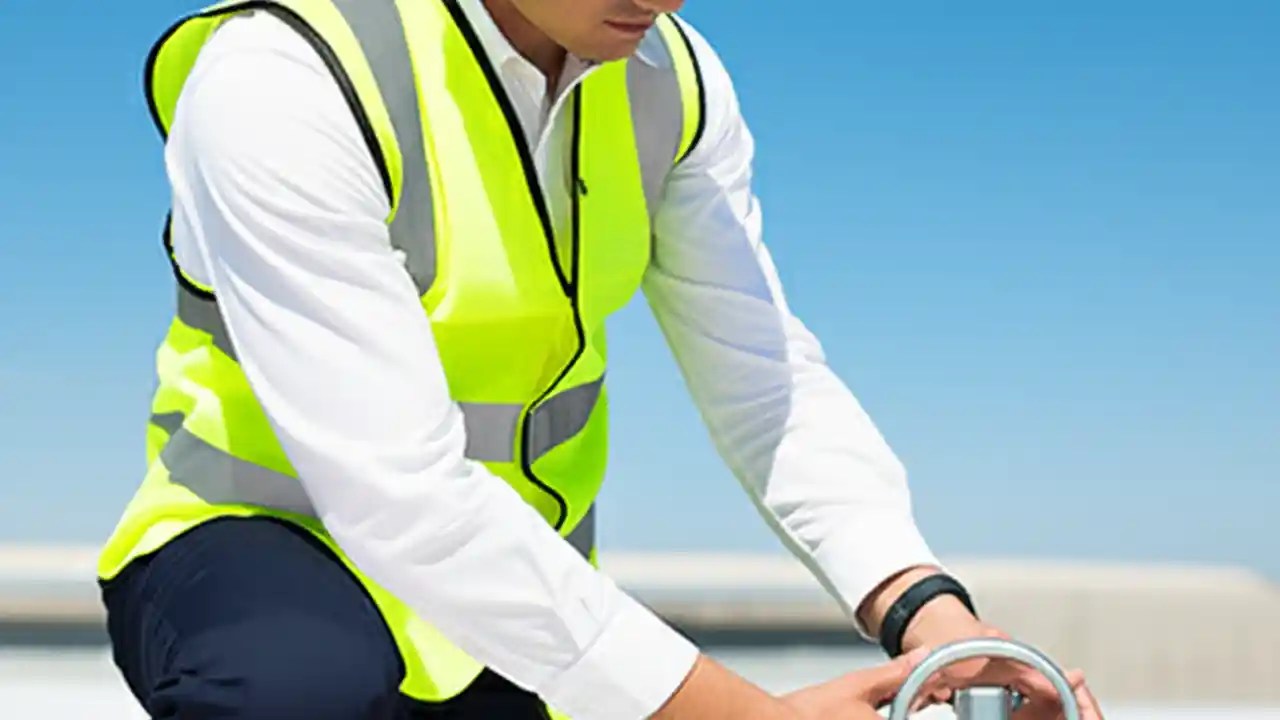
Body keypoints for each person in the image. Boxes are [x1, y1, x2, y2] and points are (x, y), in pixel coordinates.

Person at [98, 0, 1105, 718]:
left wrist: (928, 616)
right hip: (260, 557)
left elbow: (764, 380)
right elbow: (398, 494)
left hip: (517, 594)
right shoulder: (282, 76)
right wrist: (747, 717)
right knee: (298, 692)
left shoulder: (672, 81)